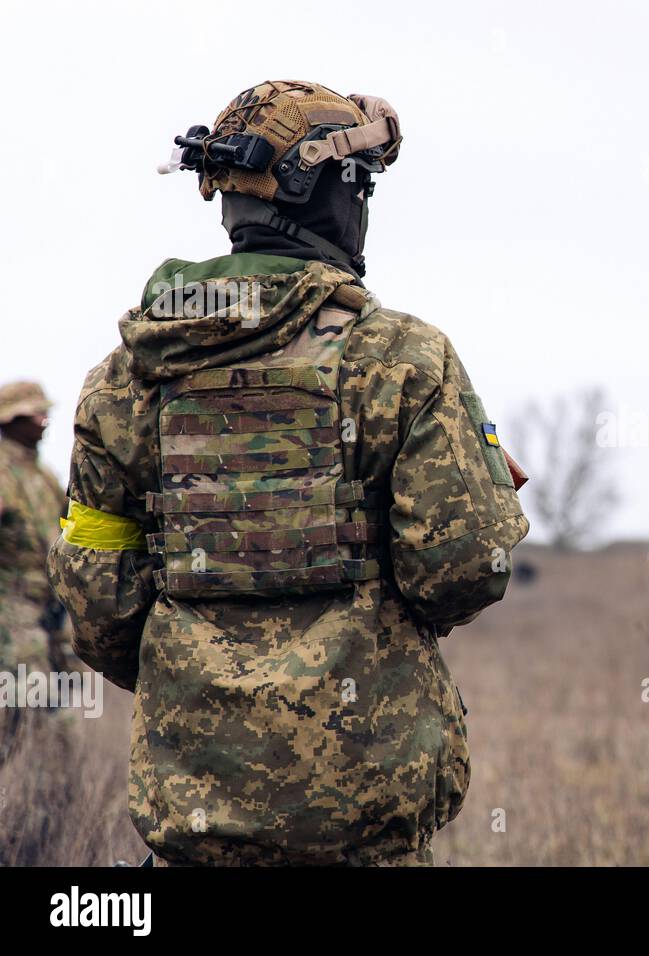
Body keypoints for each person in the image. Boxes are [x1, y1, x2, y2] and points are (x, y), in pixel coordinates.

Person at [47, 80, 529, 866]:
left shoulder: (124, 378)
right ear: (326, 193)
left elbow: (97, 606)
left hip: (195, 812)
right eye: (361, 185)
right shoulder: (402, 359)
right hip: (367, 811)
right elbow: (465, 570)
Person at [0, 381, 72, 765]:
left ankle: (55, 805)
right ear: (9, 420)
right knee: (18, 714)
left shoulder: (42, 475)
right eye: (34, 414)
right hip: (12, 617)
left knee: (62, 720)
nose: (45, 421)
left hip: (50, 613)